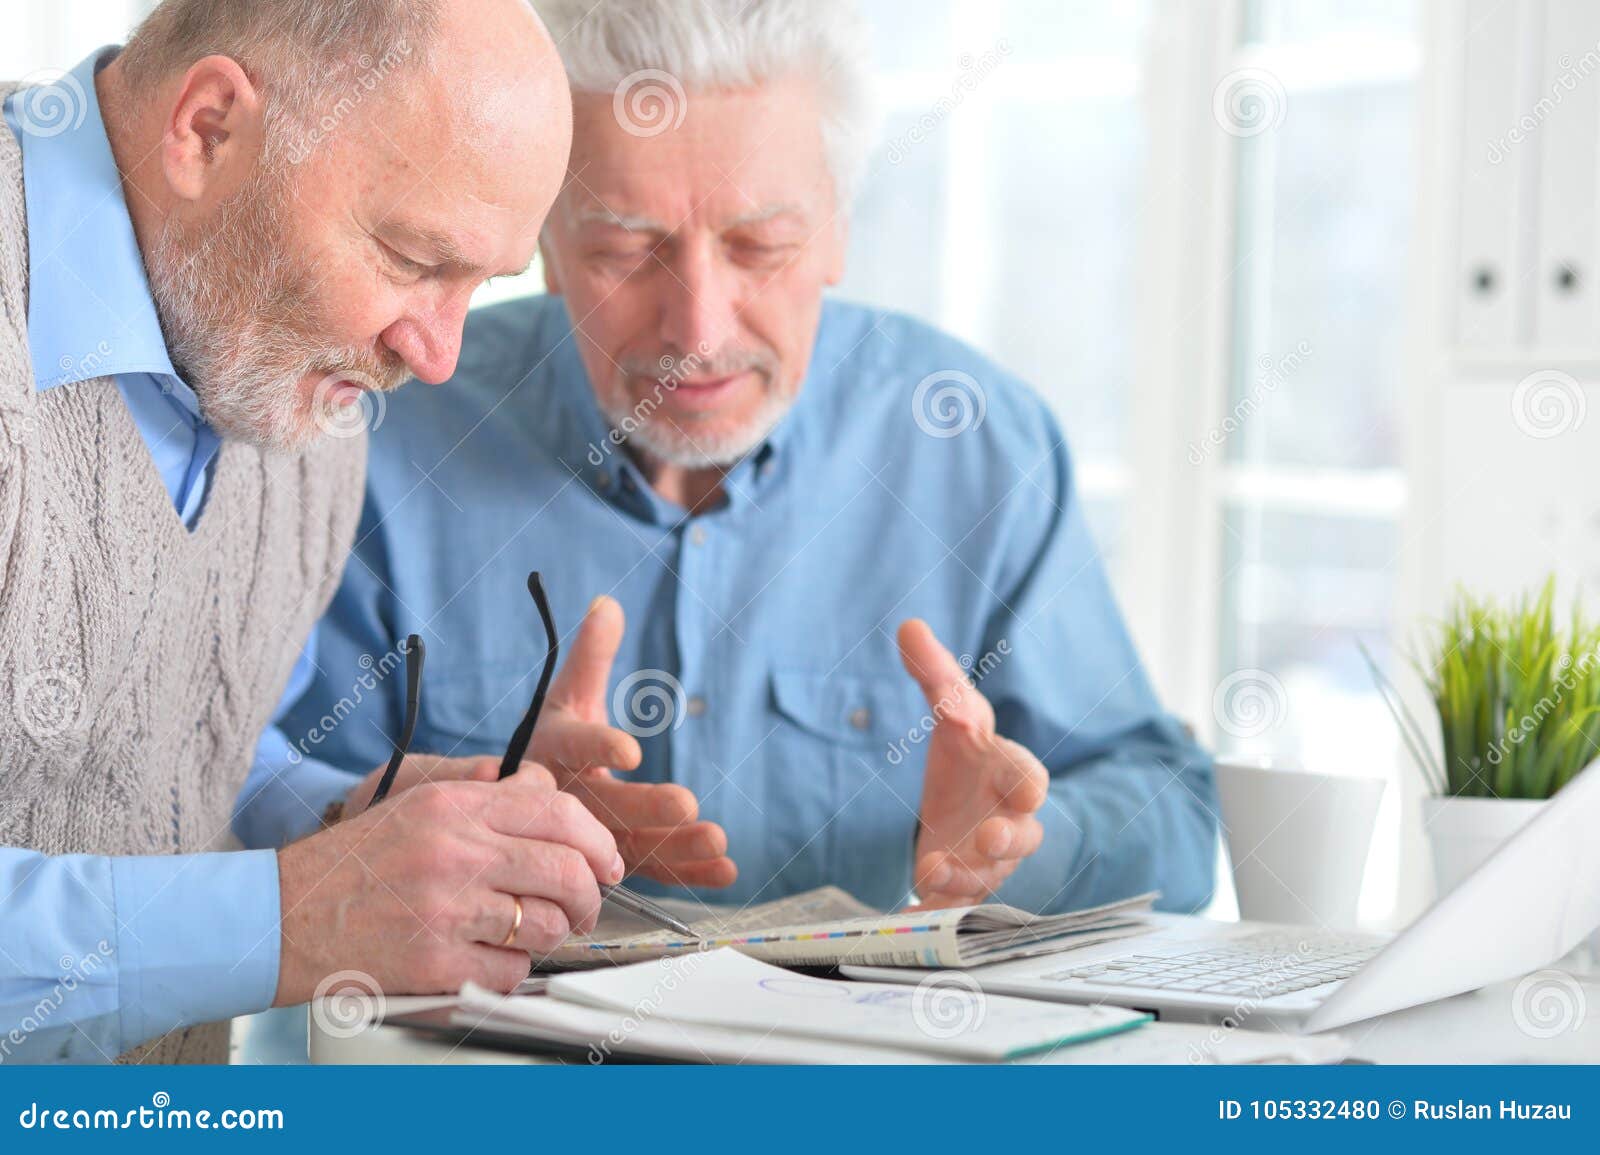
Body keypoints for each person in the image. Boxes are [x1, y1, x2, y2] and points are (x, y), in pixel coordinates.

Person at [256, 0, 1217, 926]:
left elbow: (1177, 819)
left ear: (838, 230)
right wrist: (461, 813)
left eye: (760, 246)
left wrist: (1023, 844)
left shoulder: (974, 444)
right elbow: (248, 804)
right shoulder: (387, 434)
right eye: (627, 251)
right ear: (541, 244)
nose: (698, 331)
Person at [0, 0, 622, 1065]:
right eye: (413, 256)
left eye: (479, 284)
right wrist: (289, 915)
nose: (435, 354)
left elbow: (177, 753)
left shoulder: (299, 377)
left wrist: (349, 823)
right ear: (206, 129)